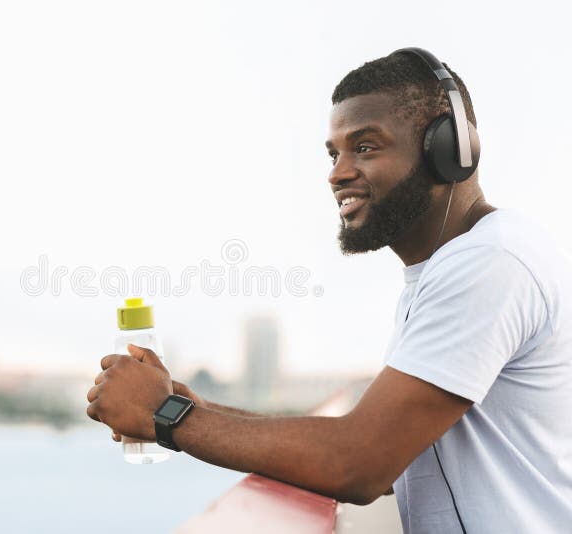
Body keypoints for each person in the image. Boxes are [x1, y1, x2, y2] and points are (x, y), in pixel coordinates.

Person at [85, 49, 572, 533]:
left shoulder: (489, 264)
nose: (337, 172)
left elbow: (363, 463)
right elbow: (392, 450)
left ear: (448, 150)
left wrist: (164, 415)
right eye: (334, 152)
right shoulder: (449, 270)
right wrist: (197, 408)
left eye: (364, 147)